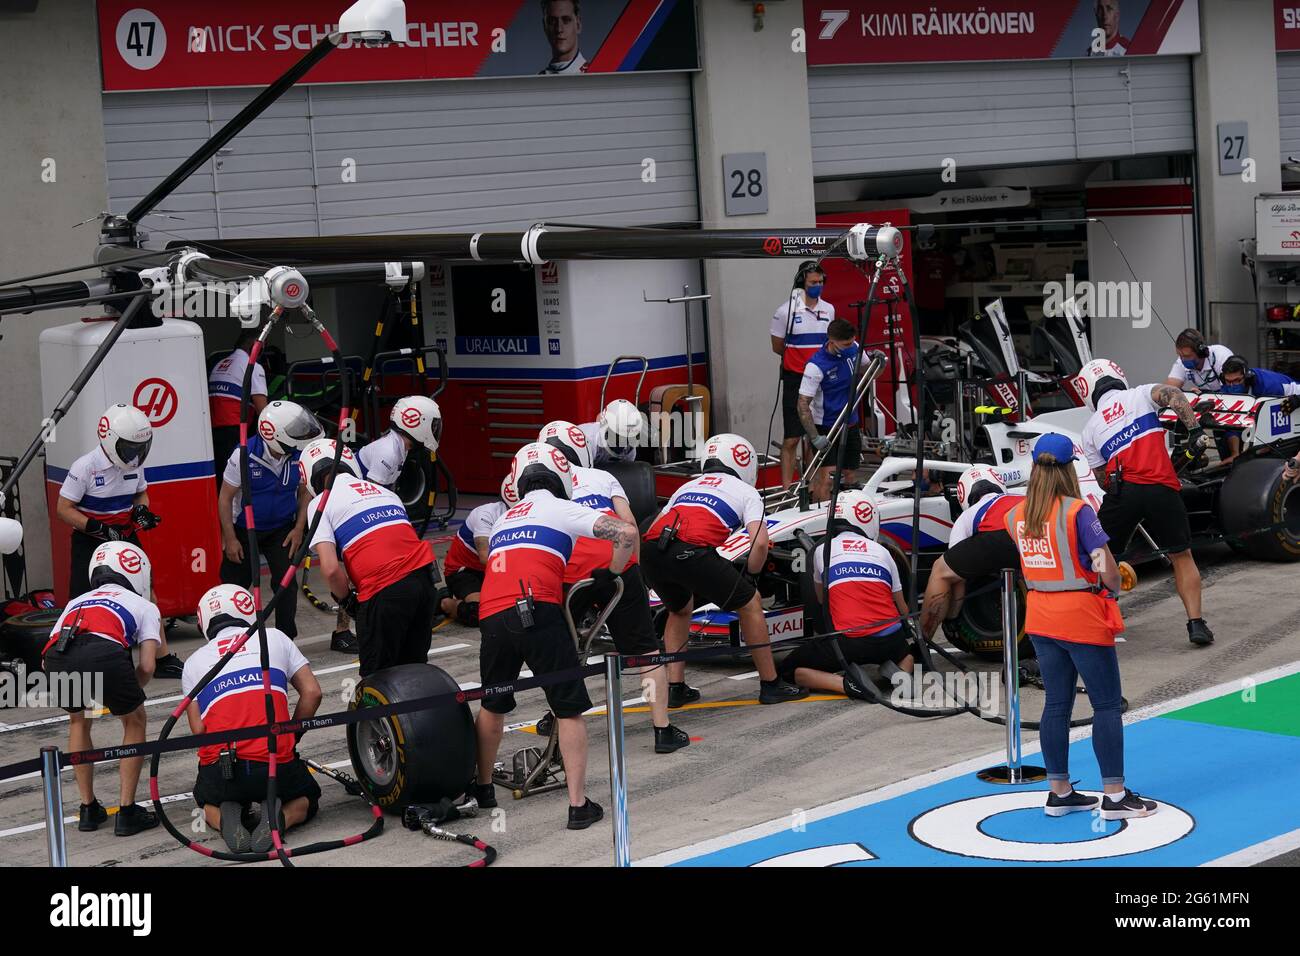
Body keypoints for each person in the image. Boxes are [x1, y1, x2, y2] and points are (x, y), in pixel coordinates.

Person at [471, 442, 638, 830]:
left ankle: (482, 789)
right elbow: (626, 532)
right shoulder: (561, 507)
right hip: (535, 609)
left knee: (492, 704)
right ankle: (578, 805)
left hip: (491, 614)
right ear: (562, 478)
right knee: (568, 709)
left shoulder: (504, 518)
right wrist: (612, 572)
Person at [1008, 432, 1157, 820]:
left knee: (1056, 703)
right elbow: (1106, 569)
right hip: (1081, 613)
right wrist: (1113, 581)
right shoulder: (1078, 511)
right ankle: (1114, 794)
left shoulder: (1016, 515)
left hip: (1039, 613)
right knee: (1106, 703)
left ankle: (1059, 791)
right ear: (1067, 469)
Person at [540, 421, 689, 754]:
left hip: (568, 573)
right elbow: (630, 526)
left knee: (563, 650)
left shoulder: (543, 490)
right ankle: (661, 728)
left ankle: (556, 716)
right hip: (616, 568)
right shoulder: (604, 477)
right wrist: (634, 572)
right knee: (646, 654)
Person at [641, 433, 808, 706]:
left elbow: (655, 525)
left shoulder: (687, 486)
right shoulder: (747, 491)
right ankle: (770, 684)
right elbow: (760, 542)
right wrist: (752, 575)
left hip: (651, 552)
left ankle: (675, 687)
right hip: (690, 551)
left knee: (680, 609)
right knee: (751, 603)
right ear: (744, 462)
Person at [1076, 359, 1214, 647]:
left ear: (1088, 392)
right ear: (1118, 376)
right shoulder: (1140, 393)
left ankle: (1100, 621)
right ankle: (1196, 624)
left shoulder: (1089, 429)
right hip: (1161, 487)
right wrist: (1195, 432)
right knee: (1181, 556)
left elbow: (1102, 479)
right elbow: (1174, 395)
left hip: (1122, 492)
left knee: (1100, 556)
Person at [183, 584, 323, 853]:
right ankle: (280, 818)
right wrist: (290, 736)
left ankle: (223, 818)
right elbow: (312, 693)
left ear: (204, 621)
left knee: (204, 800)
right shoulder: (275, 638)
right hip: (273, 761)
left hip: (223, 768)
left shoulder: (193, 662)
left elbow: (199, 729)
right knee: (308, 798)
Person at [43, 541, 161, 836]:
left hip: (56, 658)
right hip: (104, 653)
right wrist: (128, 697)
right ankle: (126, 811)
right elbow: (148, 665)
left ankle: (88, 809)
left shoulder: (76, 601)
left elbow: (48, 657)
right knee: (134, 720)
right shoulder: (146, 606)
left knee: (78, 720)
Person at [55, 404, 181, 679]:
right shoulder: (85, 467)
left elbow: (140, 494)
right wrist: (97, 527)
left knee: (147, 594)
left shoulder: (134, 464)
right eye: (129, 447)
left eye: (140, 448)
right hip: (90, 540)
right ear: (110, 440)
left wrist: (141, 511)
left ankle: (161, 658)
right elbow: (63, 508)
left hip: (124, 535)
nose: (136, 455)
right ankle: (76, 660)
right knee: (82, 598)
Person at [302, 439, 441, 677]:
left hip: (384, 590)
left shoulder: (320, 503)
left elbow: (330, 570)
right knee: (416, 672)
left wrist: (347, 602)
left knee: (377, 681)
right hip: (425, 583)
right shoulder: (386, 493)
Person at [780, 490, 912, 700]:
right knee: (908, 654)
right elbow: (903, 609)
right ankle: (901, 674)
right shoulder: (883, 552)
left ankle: (849, 685)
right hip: (891, 639)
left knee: (789, 670)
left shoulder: (822, 550)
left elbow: (821, 602)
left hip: (852, 642)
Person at [217, 401, 322, 646]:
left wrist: (298, 528)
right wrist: (230, 539)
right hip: (245, 529)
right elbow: (225, 498)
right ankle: (235, 641)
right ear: (273, 433)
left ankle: (286, 641)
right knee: (235, 589)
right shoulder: (243, 454)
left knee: (286, 585)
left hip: (282, 530)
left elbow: (305, 490)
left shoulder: (298, 454)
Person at [919, 465, 1025, 638]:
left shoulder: (969, 514)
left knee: (942, 570)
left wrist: (953, 616)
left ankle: (923, 642)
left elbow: (956, 573)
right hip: (1036, 535)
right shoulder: (1020, 497)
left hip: (999, 533)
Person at [771, 260, 835, 492]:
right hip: (795, 378)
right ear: (801, 283)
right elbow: (778, 346)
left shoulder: (829, 309)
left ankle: (808, 483)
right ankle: (788, 488)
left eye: (820, 282)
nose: (817, 286)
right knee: (792, 438)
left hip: (819, 379)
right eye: (812, 282)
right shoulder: (784, 312)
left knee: (815, 434)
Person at [797, 318, 863, 501]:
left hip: (850, 422)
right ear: (832, 341)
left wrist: (879, 363)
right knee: (828, 479)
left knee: (850, 475)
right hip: (826, 426)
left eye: (852, 341)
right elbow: (802, 404)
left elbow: (868, 369)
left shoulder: (854, 347)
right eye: (846, 343)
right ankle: (822, 523)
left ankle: (850, 514)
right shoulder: (815, 366)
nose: (850, 345)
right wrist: (814, 437)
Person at [440, 476, 512, 628]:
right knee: (479, 614)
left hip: (495, 571)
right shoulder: (486, 514)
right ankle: (446, 603)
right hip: (465, 572)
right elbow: (485, 557)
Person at [209, 329, 269, 487]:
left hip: (213, 431)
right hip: (234, 430)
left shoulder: (220, 363)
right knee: (237, 481)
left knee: (223, 481)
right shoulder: (252, 366)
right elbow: (263, 409)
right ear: (254, 345)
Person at [357, 395, 443, 490]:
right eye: (433, 426)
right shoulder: (388, 452)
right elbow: (371, 496)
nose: (434, 430)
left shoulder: (400, 447)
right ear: (414, 422)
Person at [1163, 328, 1232, 394]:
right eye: (1180, 355)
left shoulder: (1222, 356)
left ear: (1200, 352)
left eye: (1187, 356)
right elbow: (1168, 389)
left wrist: (1205, 395)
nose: (1183, 360)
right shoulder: (1181, 361)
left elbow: (1232, 389)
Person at [579, 399, 643, 466]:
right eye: (619, 437)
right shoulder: (588, 441)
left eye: (628, 439)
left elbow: (624, 473)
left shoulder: (629, 448)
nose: (624, 445)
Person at [539, 0, 586, 75]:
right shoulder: (536, 82)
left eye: (566, 20)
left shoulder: (596, 75)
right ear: (545, 27)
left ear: (578, 25)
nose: (559, 29)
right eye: (552, 21)